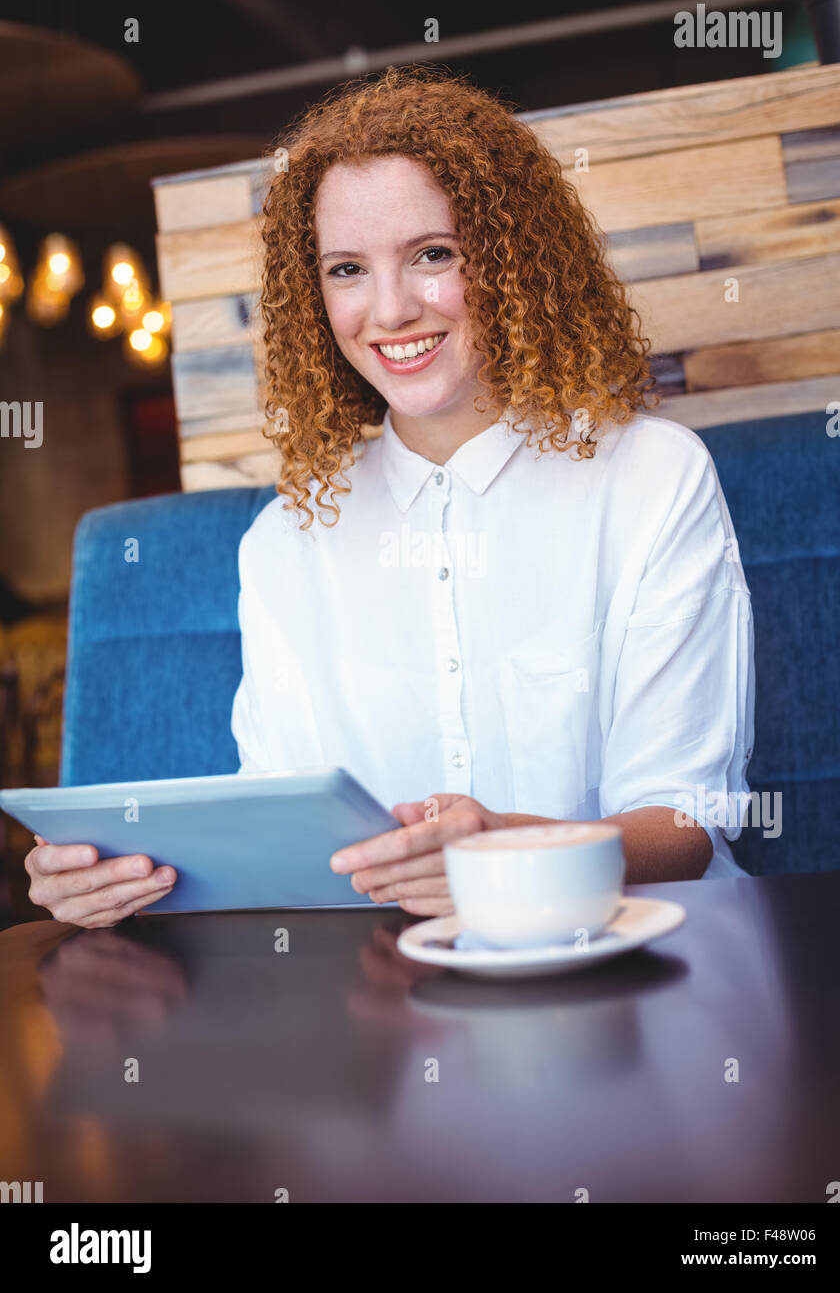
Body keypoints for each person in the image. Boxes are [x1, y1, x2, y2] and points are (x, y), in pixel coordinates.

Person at [24, 64, 753, 928]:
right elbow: (278, 838)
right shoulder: (287, 542)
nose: (391, 309)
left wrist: (507, 853)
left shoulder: (652, 479)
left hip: (647, 969)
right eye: (346, 270)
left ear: (513, 258)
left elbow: (688, 824)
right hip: (388, 1006)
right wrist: (115, 881)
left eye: (432, 255)